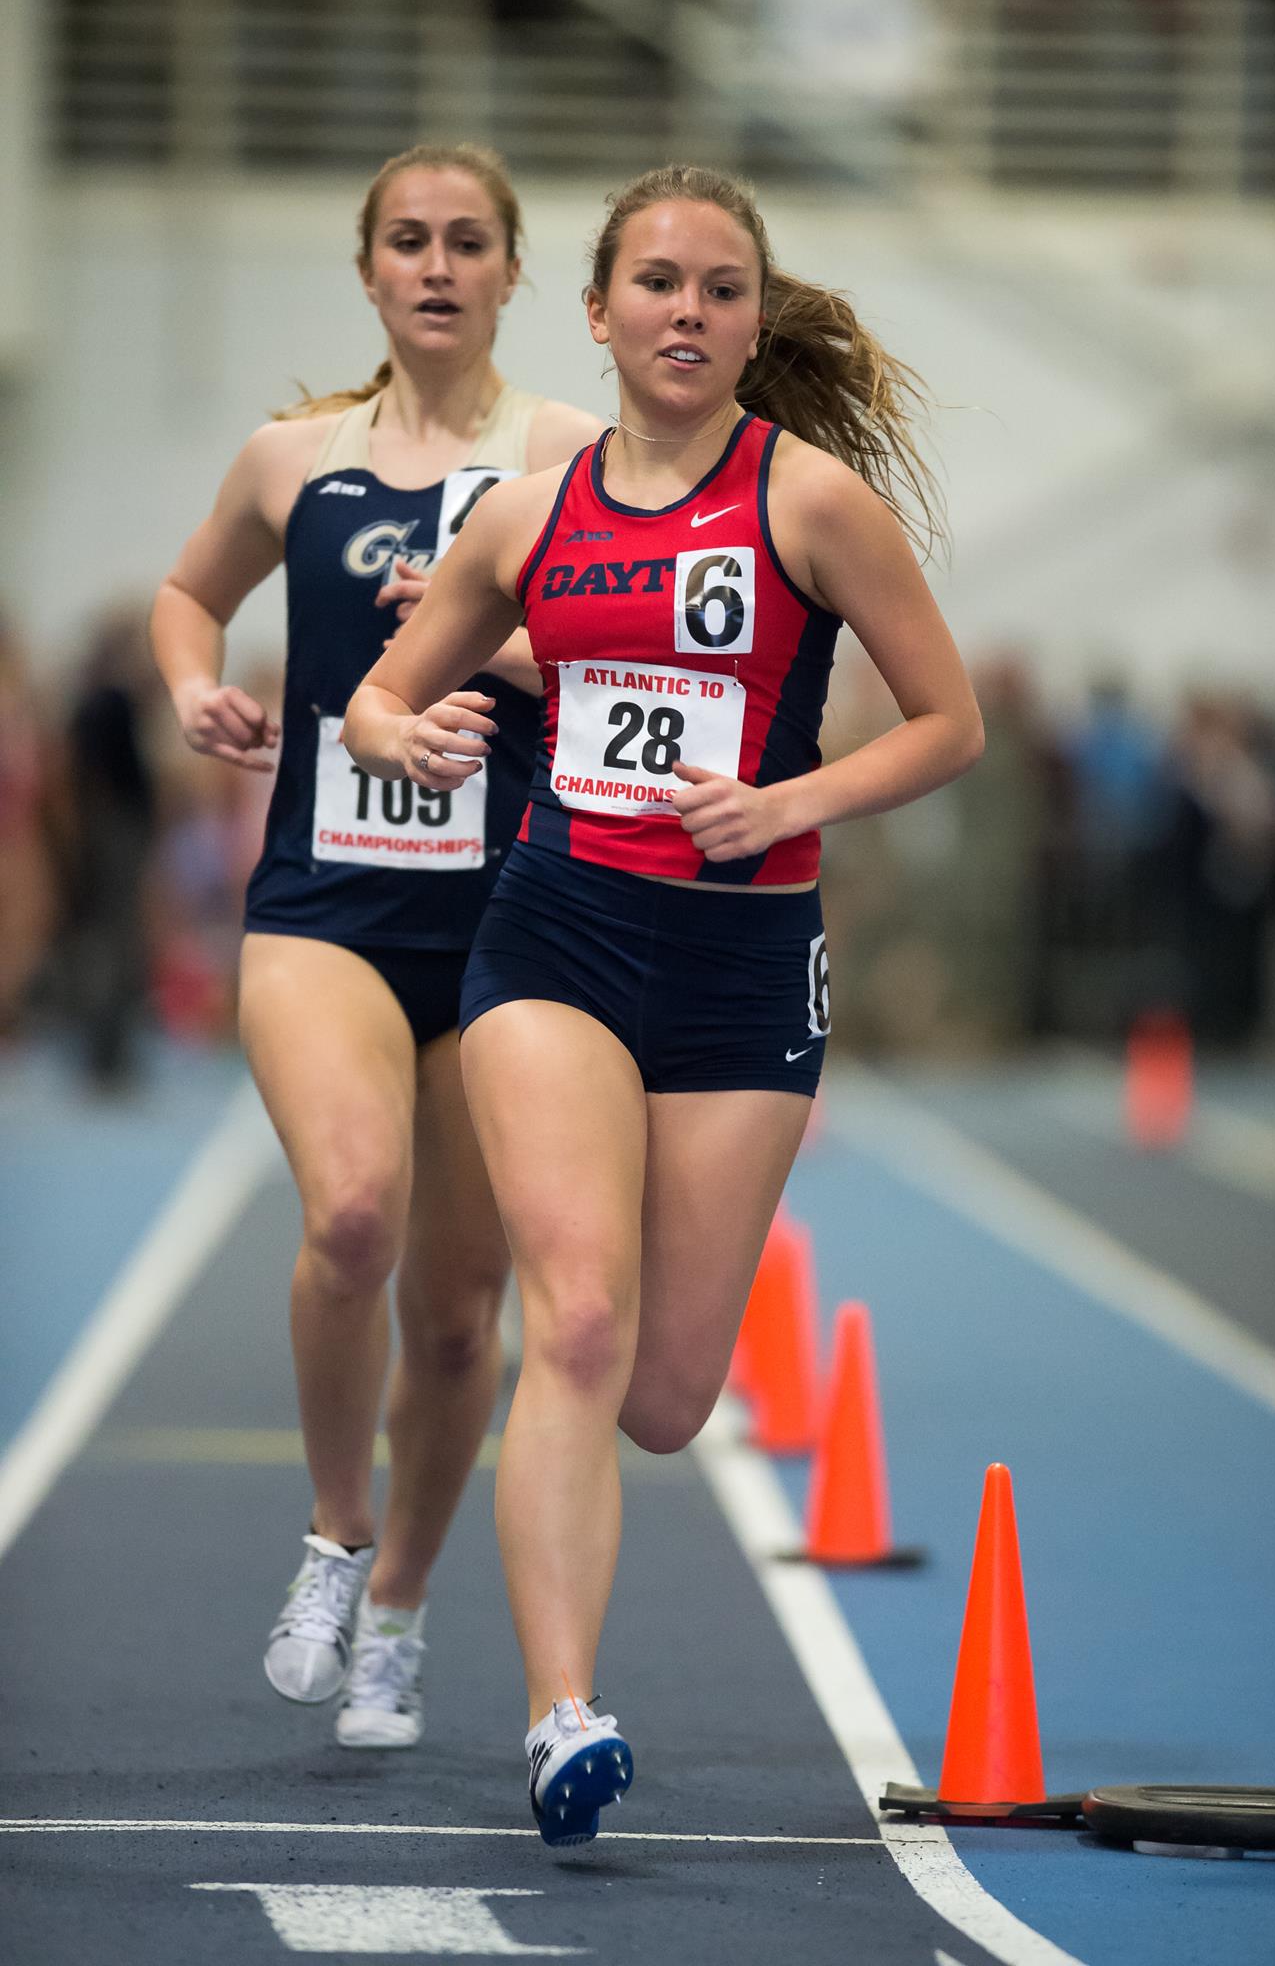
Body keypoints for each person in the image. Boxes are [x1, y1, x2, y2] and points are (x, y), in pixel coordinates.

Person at [343, 163, 983, 1842]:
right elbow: (373, 697)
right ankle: (564, 1716)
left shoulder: (814, 502)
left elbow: (951, 723)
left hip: (745, 959)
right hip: (557, 935)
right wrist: (400, 725)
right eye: (656, 282)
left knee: (669, 1393)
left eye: (717, 287)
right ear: (601, 311)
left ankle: (550, 1637)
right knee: (579, 1316)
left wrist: (794, 804)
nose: (685, 312)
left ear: (753, 320)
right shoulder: (530, 513)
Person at [149, 143, 603, 1749]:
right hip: (325, 907)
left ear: (509, 273)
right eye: (406, 239)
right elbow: (187, 594)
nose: (435, 264)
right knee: (352, 1215)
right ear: (366, 272)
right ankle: (335, 1541)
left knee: (464, 1307)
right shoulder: (293, 460)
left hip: (508, 921)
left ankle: (403, 1603)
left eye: (467, 241)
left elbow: (627, 643)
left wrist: (482, 625)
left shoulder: (567, 457)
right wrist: (195, 680)